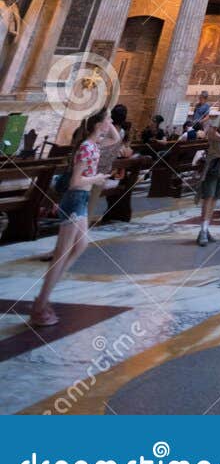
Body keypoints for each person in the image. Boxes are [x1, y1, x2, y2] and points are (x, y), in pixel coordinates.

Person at [28, 110, 122, 326]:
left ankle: (45, 294)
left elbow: (116, 139)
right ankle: (40, 304)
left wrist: (107, 117)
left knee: (80, 246)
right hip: (74, 199)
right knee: (61, 255)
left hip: (80, 200)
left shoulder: (95, 144)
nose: (111, 122)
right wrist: (97, 178)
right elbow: (74, 182)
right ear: (98, 125)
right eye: (107, 120)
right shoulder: (87, 148)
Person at [196, 102, 220, 244]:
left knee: (214, 197)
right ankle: (203, 230)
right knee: (209, 196)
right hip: (215, 162)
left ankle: (205, 228)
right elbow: (212, 135)